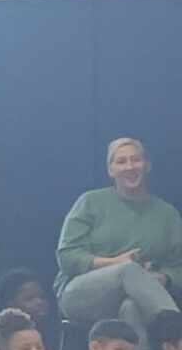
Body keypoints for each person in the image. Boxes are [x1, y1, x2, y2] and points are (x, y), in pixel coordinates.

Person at [56, 137, 182, 333]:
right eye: (121, 162)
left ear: (147, 165)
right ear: (110, 170)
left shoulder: (167, 214)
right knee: (129, 271)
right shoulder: (90, 202)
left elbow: (178, 265)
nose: (129, 167)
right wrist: (114, 263)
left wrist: (163, 278)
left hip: (139, 295)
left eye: (135, 160)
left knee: (131, 307)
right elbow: (67, 256)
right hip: (81, 293)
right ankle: (176, 336)